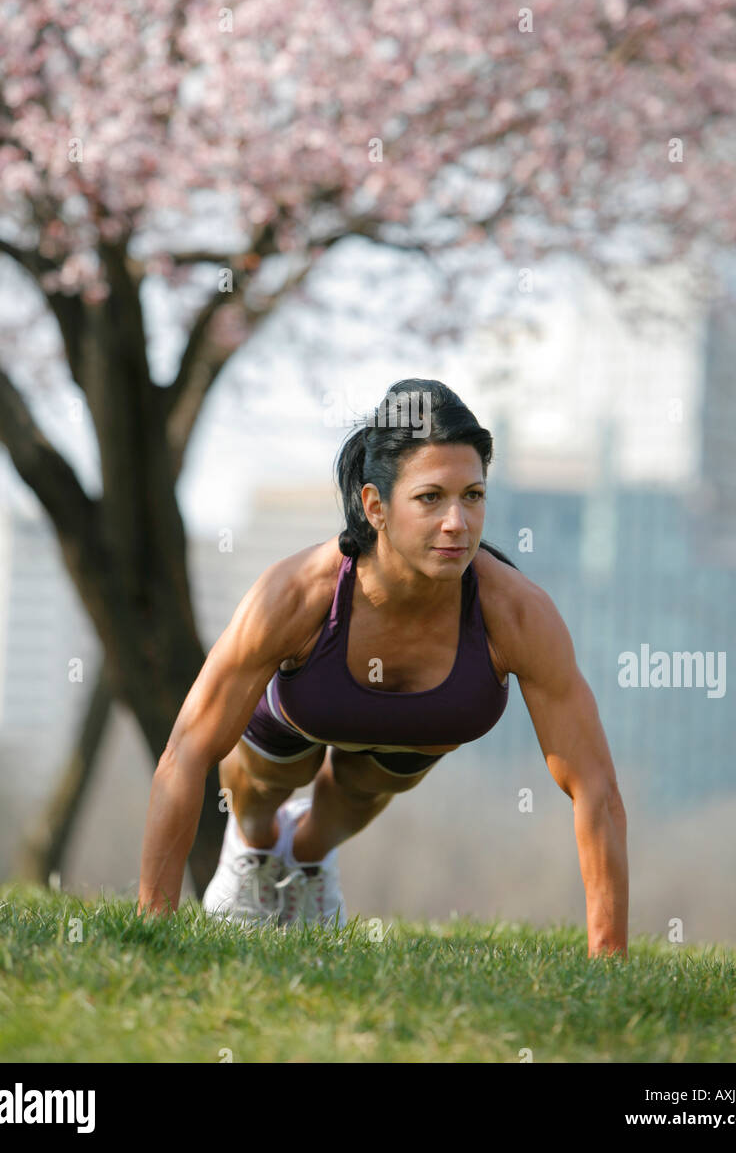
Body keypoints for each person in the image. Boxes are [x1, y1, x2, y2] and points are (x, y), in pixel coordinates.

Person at [138, 379, 628, 956]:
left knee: (357, 793)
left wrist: (608, 959)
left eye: (472, 496)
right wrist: (154, 930)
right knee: (267, 785)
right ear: (375, 506)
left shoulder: (519, 612)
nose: (457, 523)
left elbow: (594, 785)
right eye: (430, 498)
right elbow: (187, 752)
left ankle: (311, 863)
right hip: (304, 708)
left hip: (417, 729)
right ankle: (252, 854)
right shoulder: (295, 594)